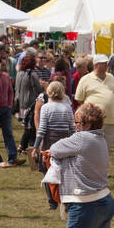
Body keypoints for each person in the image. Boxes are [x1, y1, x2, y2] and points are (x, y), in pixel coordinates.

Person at [33, 80, 75, 210]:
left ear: (49, 92)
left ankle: (52, 201)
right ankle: (66, 201)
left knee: (48, 170)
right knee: (65, 172)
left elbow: (42, 129)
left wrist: (35, 147)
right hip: (65, 141)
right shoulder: (67, 106)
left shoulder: (46, 108)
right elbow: (72, 128)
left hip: (49, 142)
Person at [74, 55, 114, 142]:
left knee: (107, 150)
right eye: (104, 63)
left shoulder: (111, 78)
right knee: (91, 147)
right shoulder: (85, 79)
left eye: (106, 63)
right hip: (92, 121)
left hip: (110, 121)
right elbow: (79, 99)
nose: (107, 65)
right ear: (96, 65)